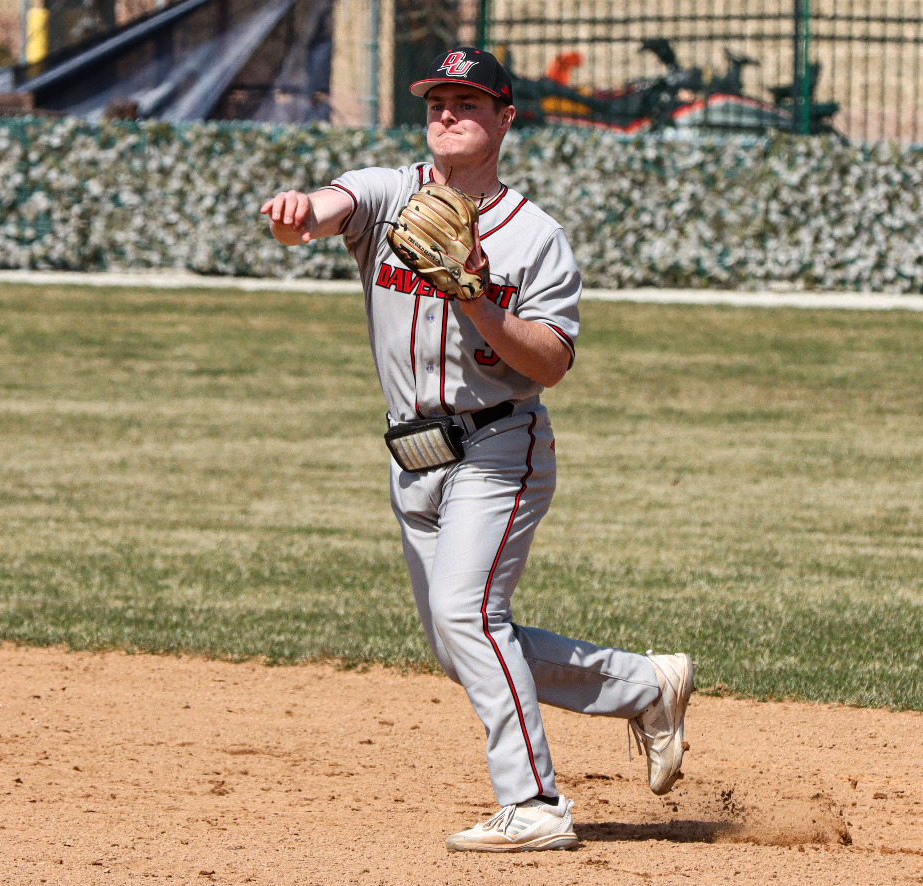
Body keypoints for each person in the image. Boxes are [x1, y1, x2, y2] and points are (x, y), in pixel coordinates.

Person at [259, 46, 694, 853]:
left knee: (469, 616)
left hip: (499, 446)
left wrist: (479, 298)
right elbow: (328, 205)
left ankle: (533, 805)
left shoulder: (534, 237)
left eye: (466, 101)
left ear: (504, 118)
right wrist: (296, 212)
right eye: (436, 102)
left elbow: (551, 363)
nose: (447, 113)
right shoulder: (392, 195)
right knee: (463, 643)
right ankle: (645, 686)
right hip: (412, 457)